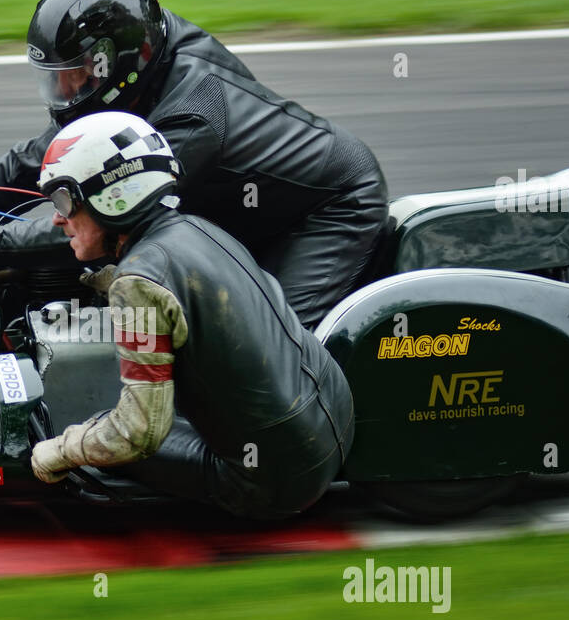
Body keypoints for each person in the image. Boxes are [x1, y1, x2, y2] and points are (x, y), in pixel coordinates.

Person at [0, 0, 390, 330]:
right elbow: (37, 154)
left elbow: (99, 218)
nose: (63, 92)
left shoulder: (192, 116)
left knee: (269, 346)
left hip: (329, 208)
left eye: (74, 75)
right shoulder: (143, 58)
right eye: (55, 79)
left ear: (117, 62)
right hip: (238, 201)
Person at [28, 111, 354, 521]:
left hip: (271, 480)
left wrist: (58, 450)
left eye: (62, 200)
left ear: (113, 194)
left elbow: (135, 434)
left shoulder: (138, 282)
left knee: (93, 428)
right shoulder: (197, 229)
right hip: (332, 425)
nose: (57, 218)